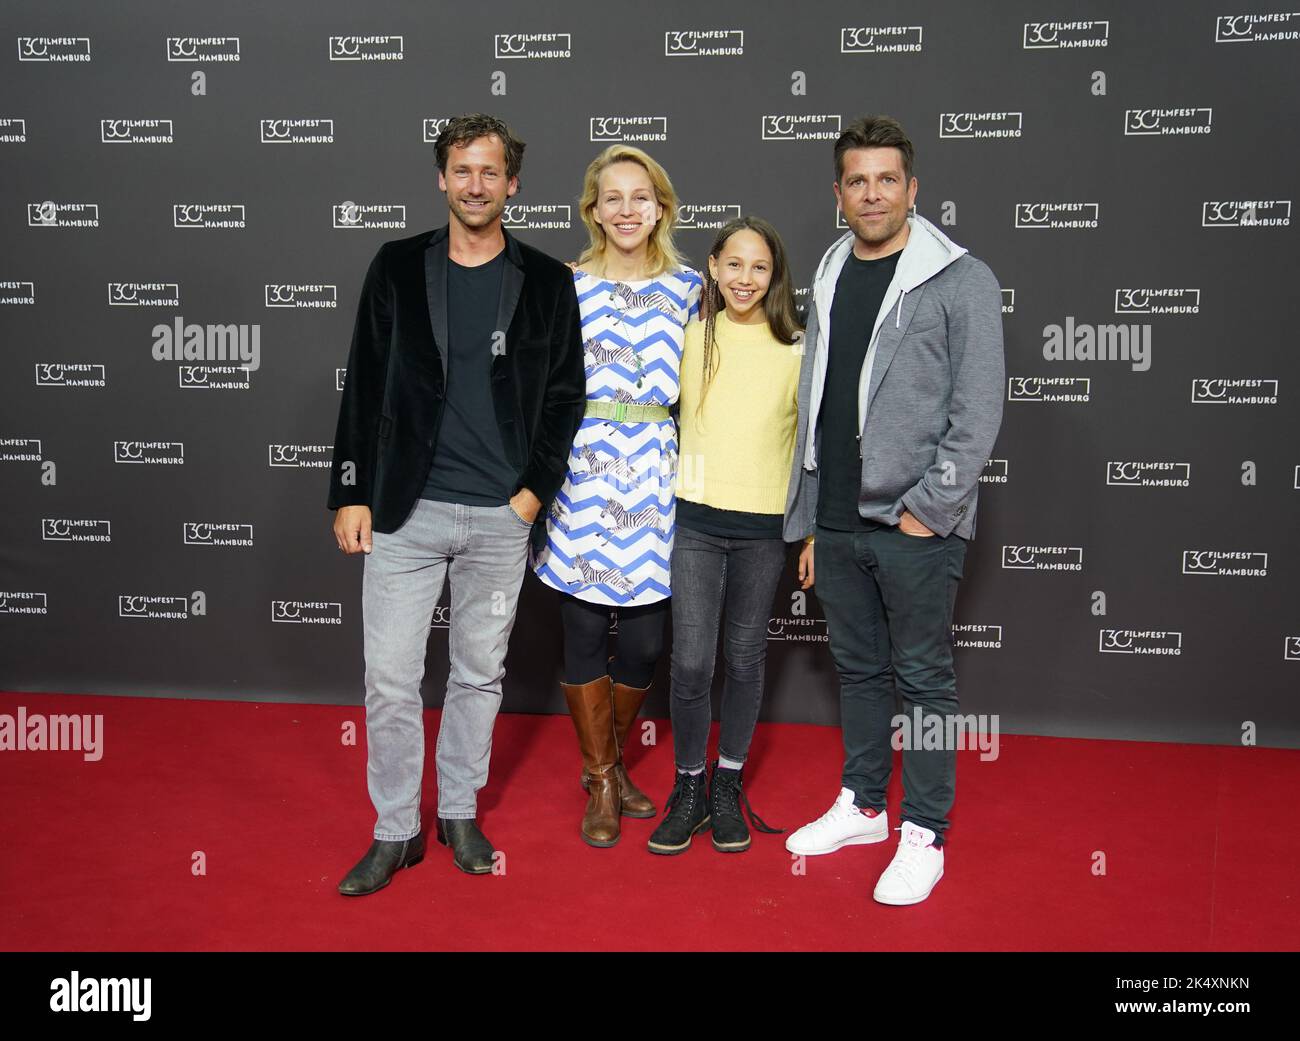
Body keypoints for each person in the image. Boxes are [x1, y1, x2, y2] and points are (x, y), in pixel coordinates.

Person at [328, 113, 585, 894]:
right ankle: (396, 829)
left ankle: (461, 811)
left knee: (478, 674)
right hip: (405, 509)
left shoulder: (545, 280)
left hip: (500, 517)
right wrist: (350, 490)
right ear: (442, 178)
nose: (476, 184)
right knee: (391, 677)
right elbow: (365, 380)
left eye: (491, 171)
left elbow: (566, 396)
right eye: (462, 170)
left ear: (514, 183)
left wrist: (533, 492)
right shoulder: (398, 265)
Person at [782, 115, 1005, 905]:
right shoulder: (833, 265)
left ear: (912, 189)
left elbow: (977, 412)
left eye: (886, 179)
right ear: (838, 193)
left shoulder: (961, 278)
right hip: (837, 518)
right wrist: (811, 515)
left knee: (926, 680)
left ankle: (925, 833)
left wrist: (929, 508)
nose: (871, 193)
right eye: (856, 180)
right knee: (859, 670)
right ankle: (865, 805)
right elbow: (820, 401)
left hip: (914, 522)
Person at [531, 145, 702, 847]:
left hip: (658, 470)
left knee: (643, 639)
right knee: (580, 628)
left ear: (661, 206)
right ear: (592, 210)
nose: (627, 209)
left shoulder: (692, 286)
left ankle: (609, 761)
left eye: (641, 196)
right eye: (612, 197)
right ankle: (603, 777)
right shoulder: (564, 286)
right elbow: (540, 388)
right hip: (582, 469)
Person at [646, 216, 801, 855]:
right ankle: (689, 784)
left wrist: (810, 531)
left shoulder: (798, 350)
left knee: (743, 657)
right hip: (697, 523)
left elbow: (811, 450)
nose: (745, 278)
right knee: (690, 661)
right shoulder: (687, 338)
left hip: (764, 528)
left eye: (759, 267)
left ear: (774, 276)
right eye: (734, 264)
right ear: (712, 267)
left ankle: (728, 782)